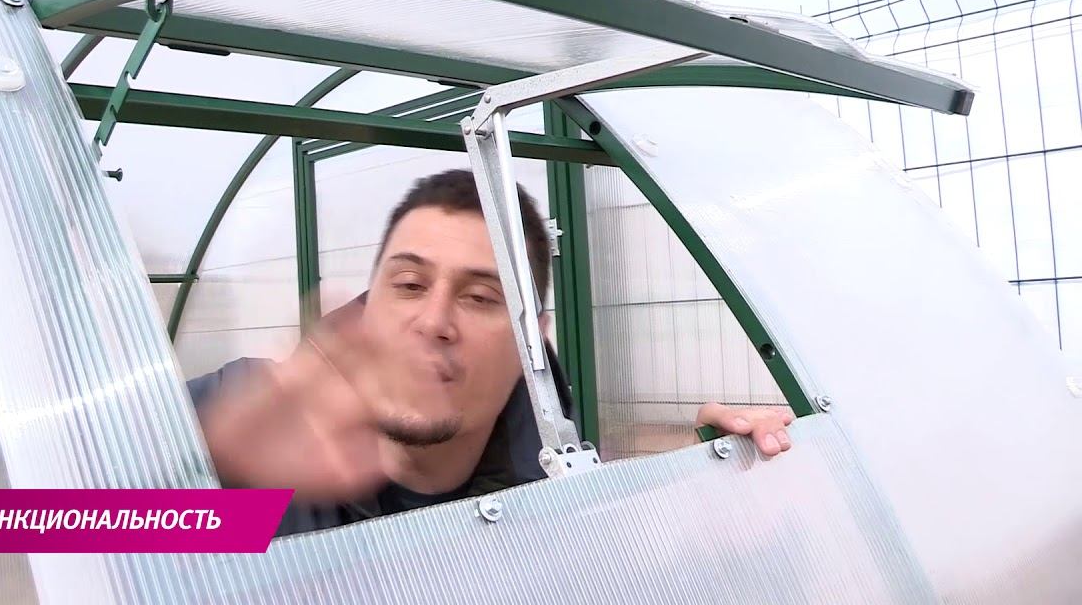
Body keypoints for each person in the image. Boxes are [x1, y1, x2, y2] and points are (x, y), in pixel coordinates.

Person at [188, 169, 793, 536]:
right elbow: (128, 542)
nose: (434, 322)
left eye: (480, 297)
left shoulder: (554, 515)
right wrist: (208, 486)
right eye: (408, 285)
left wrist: (707, 484)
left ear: (533, 343)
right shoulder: (244, 432)